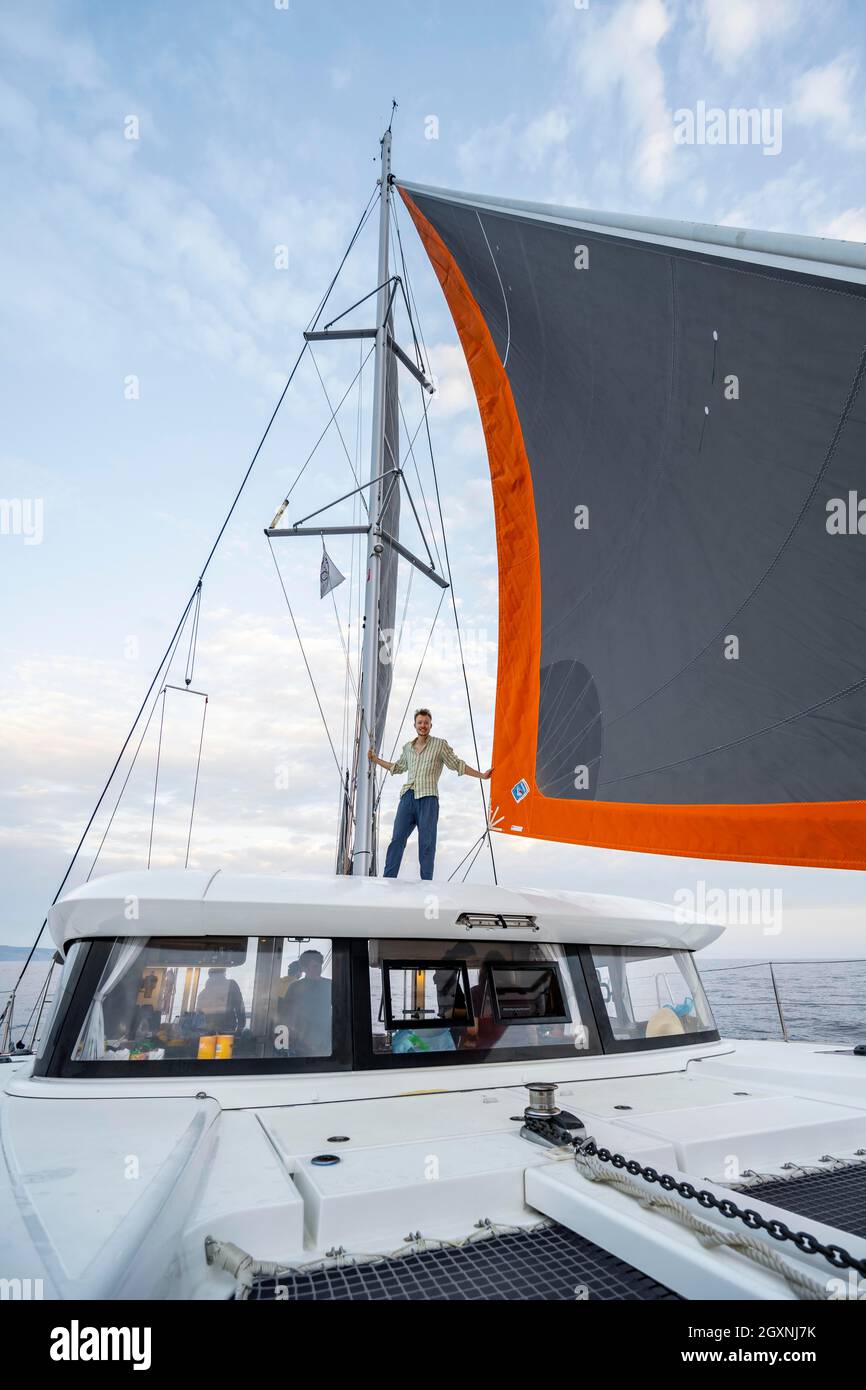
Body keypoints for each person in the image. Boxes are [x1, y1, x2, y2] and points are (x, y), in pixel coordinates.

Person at [369, 708, 492, 880]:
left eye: (426, 723)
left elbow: (457, 765)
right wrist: (375, 760)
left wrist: (481, 775)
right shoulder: (407, 748)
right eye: (420, 722)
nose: (423, 725)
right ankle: (388, 880)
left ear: (430, 725)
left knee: (427, 844)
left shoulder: (439, 745)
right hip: (408, 797)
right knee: (397, 839)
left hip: (428, 799)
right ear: (415, 725)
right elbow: (396, 768)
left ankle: (426, 884)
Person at [278, 949, 332, 1057]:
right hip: (301, 1044)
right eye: (314, 966)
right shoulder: (295, 987)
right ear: (304, 968)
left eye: (319, 966)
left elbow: (342, 1011)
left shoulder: (330, 985)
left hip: (325, 1044)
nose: (319, 970)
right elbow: (286, 1014)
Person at [195, 967, 246, 1035]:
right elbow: (240, 1008)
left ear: (209, 974)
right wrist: (240, 1028)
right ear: (224, 972)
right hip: (227, 1031)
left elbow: (198, 1016)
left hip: (208, 1033)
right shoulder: (231, 985)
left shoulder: (202, 994)